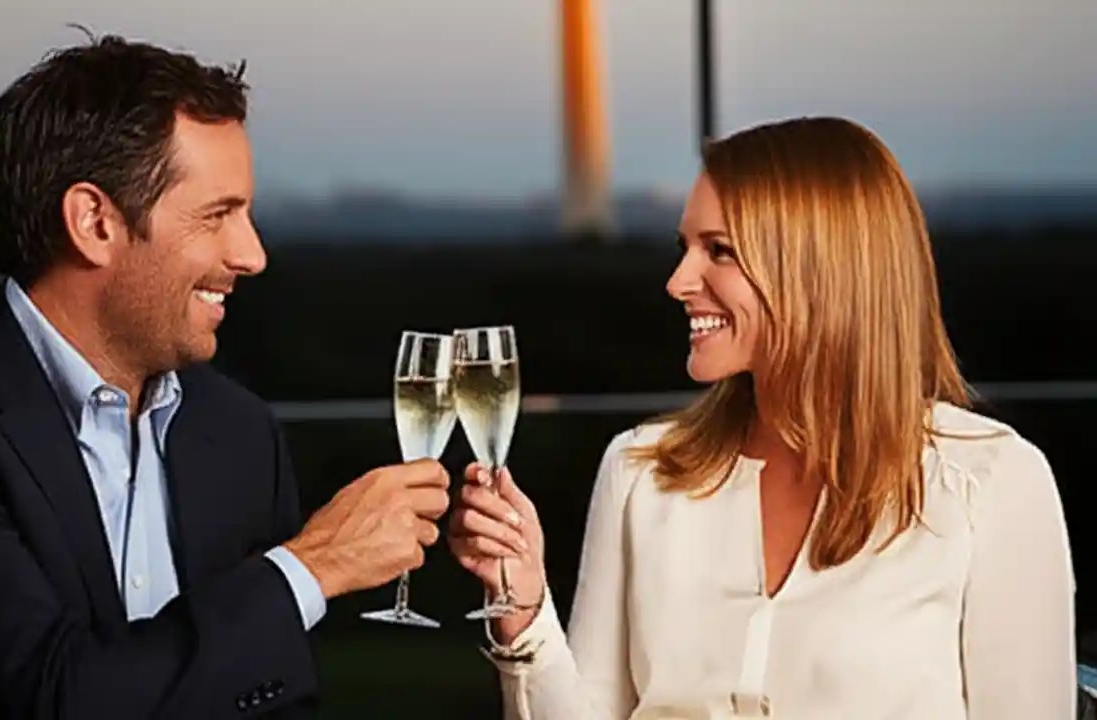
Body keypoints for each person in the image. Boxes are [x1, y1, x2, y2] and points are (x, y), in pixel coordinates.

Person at [0, 34, 450, 718]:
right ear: (95, 222)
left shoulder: (239, 433)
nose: (252, 255)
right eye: (218, 215)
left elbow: (276, 696)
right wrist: (311, 567)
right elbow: (47, 698)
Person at [448, 116, 1076, 719]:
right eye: (684, 248)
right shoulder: (641, 472)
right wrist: (524, 609)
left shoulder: (990, 482)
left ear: (819, 270)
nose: (677, 281)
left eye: (718, 251)